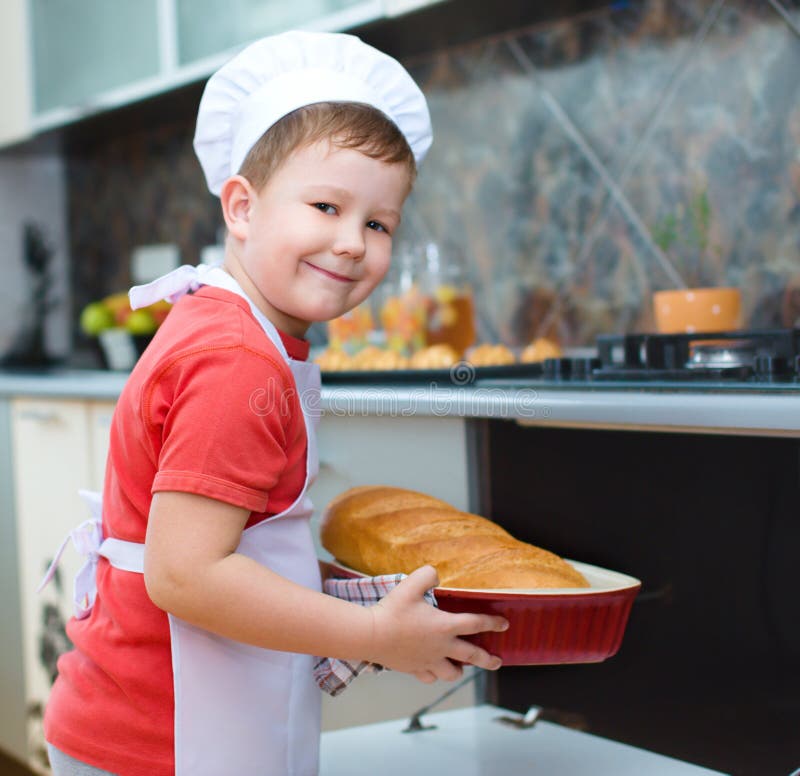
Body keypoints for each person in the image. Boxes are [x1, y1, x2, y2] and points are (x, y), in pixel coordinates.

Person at [42, 30, 508, 776]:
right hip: (160, 743)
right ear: (242, 207)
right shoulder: (236, 361)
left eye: (378, 222)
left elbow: (243, 543)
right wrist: (375, 638)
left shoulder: (237, 329)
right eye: (326, 205)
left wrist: (364, 606)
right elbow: (186, 576)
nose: (353, 242)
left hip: (157, 724)